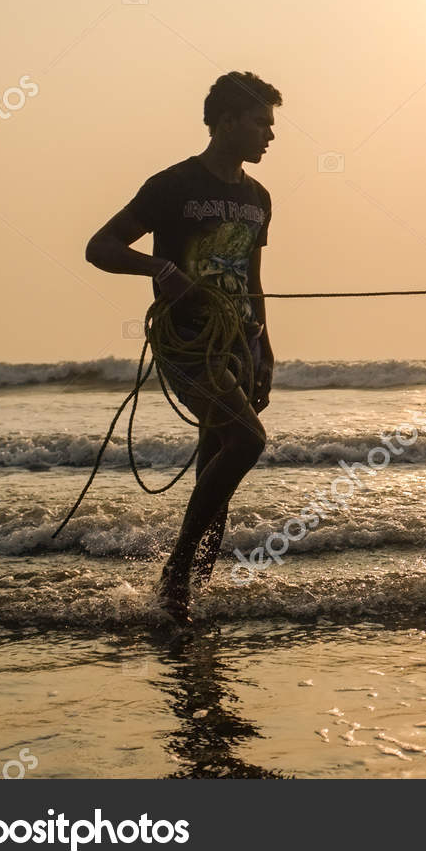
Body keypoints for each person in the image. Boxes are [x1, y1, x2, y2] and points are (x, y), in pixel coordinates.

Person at [85, 71, 279, 621]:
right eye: (261, 122)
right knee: (246, 441)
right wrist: (160, 268)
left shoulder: (258, 198)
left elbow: (253, 278)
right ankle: (175, 576)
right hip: (188, 343)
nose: (270, 134)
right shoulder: (173, 185)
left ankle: (189, 599)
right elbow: (99, 246)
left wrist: (266, 350)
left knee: (216, 466)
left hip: (239, 344)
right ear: (226, 122)